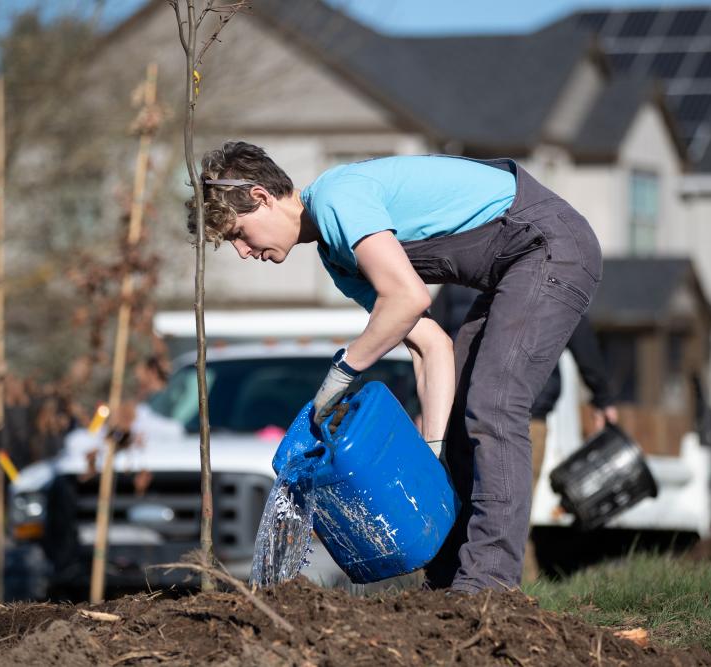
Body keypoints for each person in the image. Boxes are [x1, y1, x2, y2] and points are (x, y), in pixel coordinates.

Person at [187, 142, 602, 593]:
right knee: (469, 414)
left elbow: (408, 298)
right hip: (512, 269)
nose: (244, 252)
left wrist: (344, 370)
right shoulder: (338, 259)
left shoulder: (335, 198)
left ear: (261, 197)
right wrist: (434, 450)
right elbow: (430, 345)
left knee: (495, 404)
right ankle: (446, 581)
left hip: (547, 244)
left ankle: (490, 583)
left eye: (238, 235)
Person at [430, 285, 618, 491]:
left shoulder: (462, 273)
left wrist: (427, 404)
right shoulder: (545, 272)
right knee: (512, 506)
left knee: (458, 500)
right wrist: (603, 397)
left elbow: (432, 345)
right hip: (525, 413)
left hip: (462, 411)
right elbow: (580, 336)